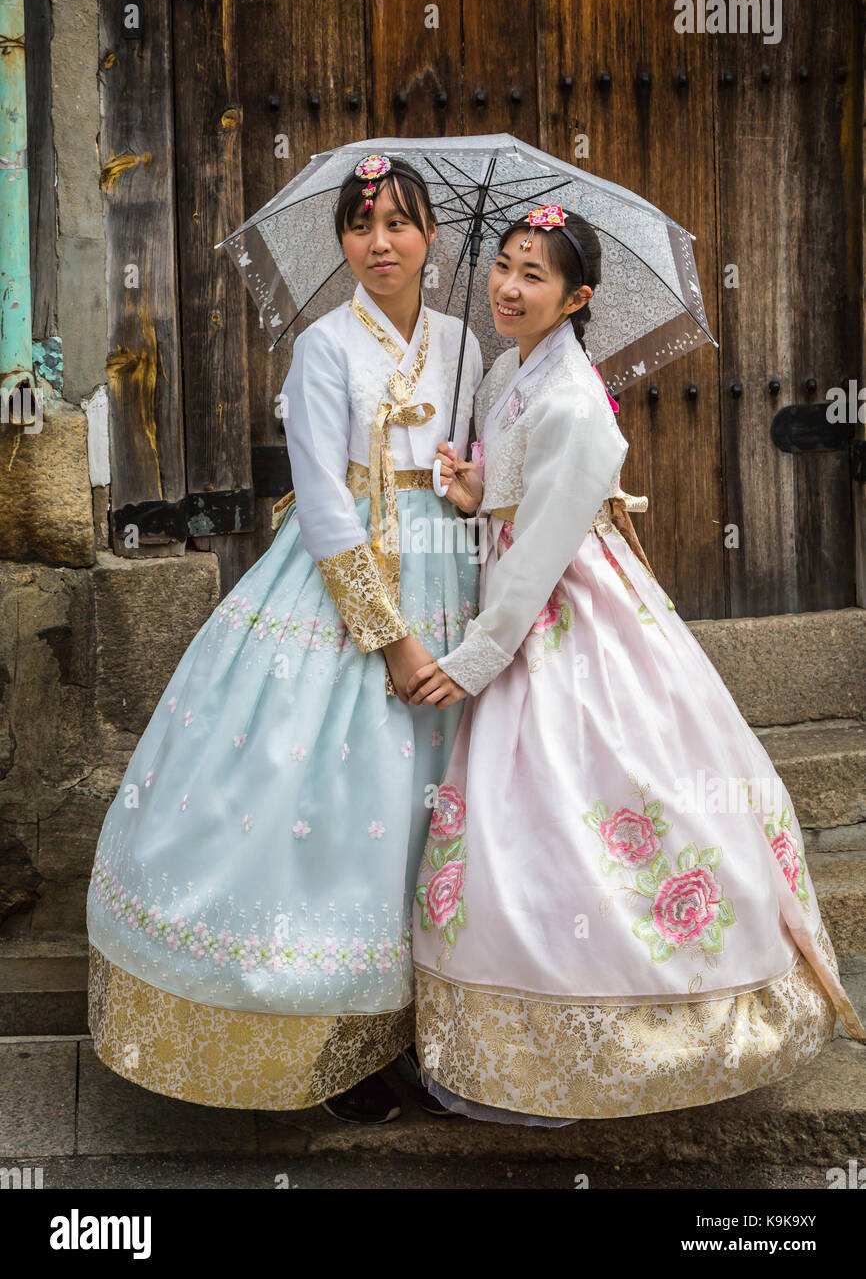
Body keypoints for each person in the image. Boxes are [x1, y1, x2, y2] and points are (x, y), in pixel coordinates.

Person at [406, 204, 866, 1124]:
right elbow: (511, 496)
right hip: (526, 586)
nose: (507, 285)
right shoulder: (510, 368)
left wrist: (475, 658)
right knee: (519, 805)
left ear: (576, 298)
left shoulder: (576, 396)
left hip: (570, 607)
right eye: (503, 265)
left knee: (600, 780)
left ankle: (638, 1029)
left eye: (534, 275)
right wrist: (471, 489)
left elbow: (539, 543)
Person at [86, 155, 484, 1123]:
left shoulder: (469, 343)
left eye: (397, 222)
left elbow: (478, 468)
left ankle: (424, 1028)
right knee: (342, 801)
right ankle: (332, 1043)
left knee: (434, 811)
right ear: (340, 241)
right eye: (359, 226)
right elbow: (318, 502)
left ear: (431, 236)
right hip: (344, 587)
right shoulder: (322, 348)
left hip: (450, 573)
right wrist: (389, 641)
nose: (378, 242)